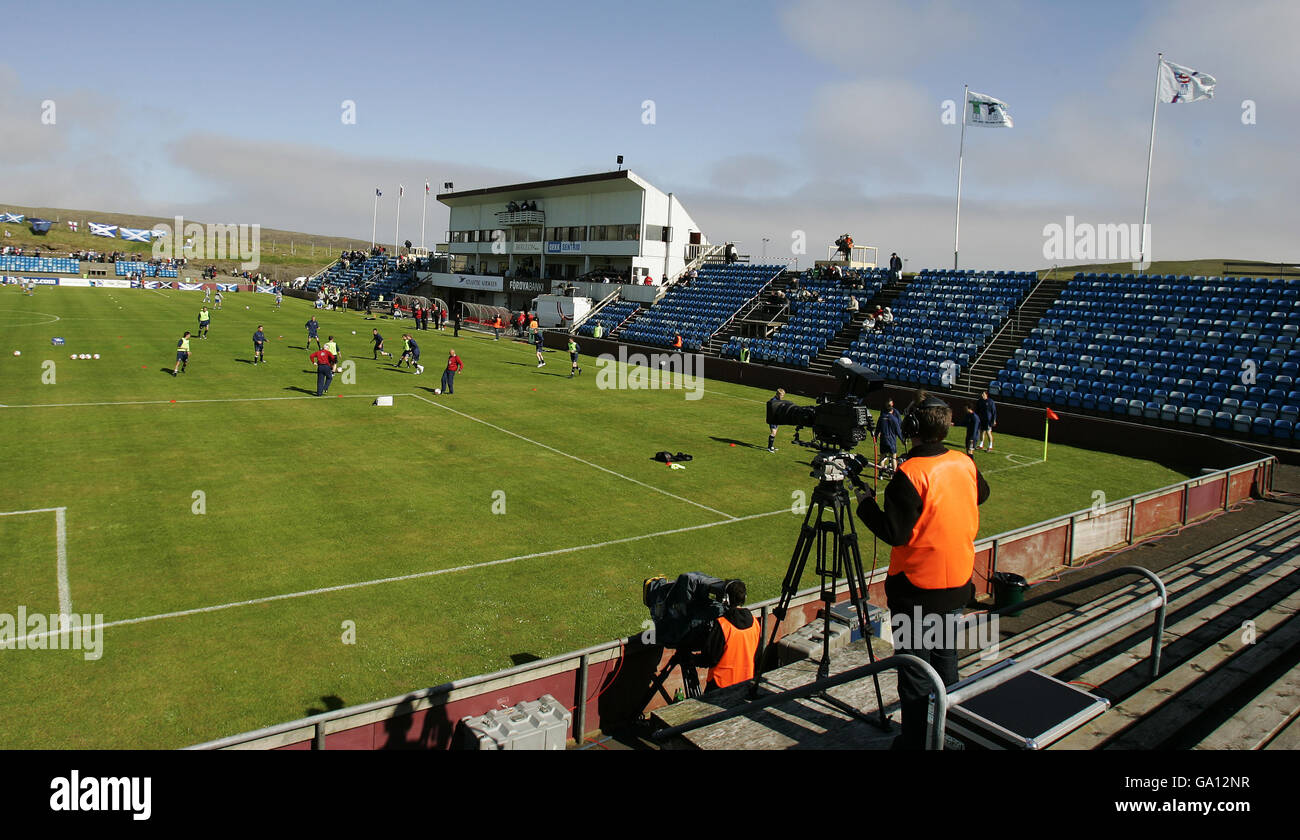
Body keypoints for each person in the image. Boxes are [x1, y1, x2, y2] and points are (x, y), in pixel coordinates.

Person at [854, 391, 990, 750]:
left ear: (911, 426)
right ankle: (948, 736)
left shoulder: (910, 472)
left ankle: (916, 744)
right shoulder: (964, 462)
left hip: (916, 589)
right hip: (957, 582)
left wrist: (865, 502)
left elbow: (894, 533)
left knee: (915, 672)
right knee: (945, 663)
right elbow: (981, 494)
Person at [691, 579, 760, 691]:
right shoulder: (755, 622)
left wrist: (692, 659)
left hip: (720, 684)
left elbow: (710, 658)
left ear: (726, 599)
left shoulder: (723, 624)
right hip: (745, 683)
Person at [877, 399, 902, 474]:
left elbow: (879, 425)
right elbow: (898, 427)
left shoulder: (896, 413)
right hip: (890, 437)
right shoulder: (892, 417)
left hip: (887, 437)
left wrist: (876, 433)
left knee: (883, 457)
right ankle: (891, 473)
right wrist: (902, 439)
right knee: (893, 457)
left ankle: (884, 471)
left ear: (892, 404)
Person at [766, 388, 786, 453]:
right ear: (777, 394)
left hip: (777, 419)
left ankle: (771, 446)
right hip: (772, 419)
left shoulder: (778, 400)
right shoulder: (773, 401)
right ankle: (769, 448)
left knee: (775, 433)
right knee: (773, 433)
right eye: (781, 395)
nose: (782, 397)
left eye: (783, 395)